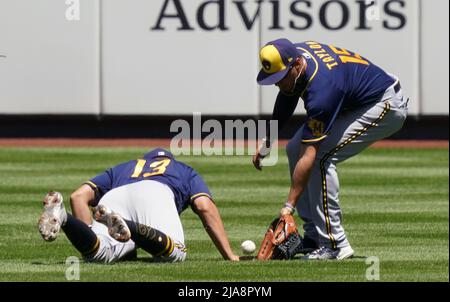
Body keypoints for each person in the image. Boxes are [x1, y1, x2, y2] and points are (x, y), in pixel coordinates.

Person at [253, 38, 409, 260]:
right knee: (293, 148)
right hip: (357, 101)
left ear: (297, 65)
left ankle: (335, 243)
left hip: (385, 105)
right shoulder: (294, 58)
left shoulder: (323, 90)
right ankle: (314, 236)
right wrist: (268, 141)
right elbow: (288, 95)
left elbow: (310, 154)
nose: (277, 83)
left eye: (280, 78)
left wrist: (289, 207)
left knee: (320, 158)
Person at [38, 148, 240, 263]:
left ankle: (64, 218)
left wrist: (90, 231)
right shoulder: (181, 168)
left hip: (115, 196)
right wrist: (229, 255)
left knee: (99, 254)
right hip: (155, 193)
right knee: (176, 253)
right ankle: (129, 226)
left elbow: (78, 196)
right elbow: (204, 206)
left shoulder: (126, 167)